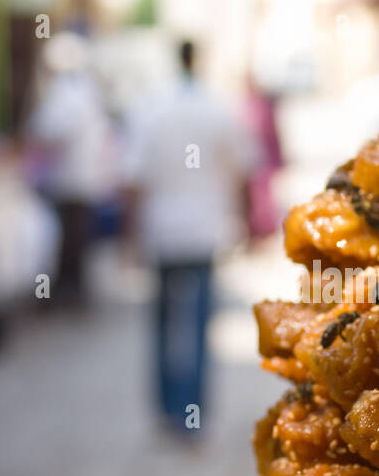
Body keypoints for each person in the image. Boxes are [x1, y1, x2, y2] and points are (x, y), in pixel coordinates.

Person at [126, 40, 256, 437]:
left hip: (162, 230)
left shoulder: (151, 111)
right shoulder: (217, 110)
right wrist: (246, 221)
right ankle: (192, 414)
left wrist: (128, 234)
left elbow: (134, 178)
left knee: (163, 322)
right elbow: (243, 171)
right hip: (203, 230)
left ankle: (168, 408)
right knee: (199, 324)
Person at [27, 31, 113, 308]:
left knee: (68, 240)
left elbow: (50, 132)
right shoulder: (85, 91)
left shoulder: (66, 92)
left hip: (70, 179)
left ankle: (67, 293)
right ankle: (72, 291)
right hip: (81, 177)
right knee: (74, 239)